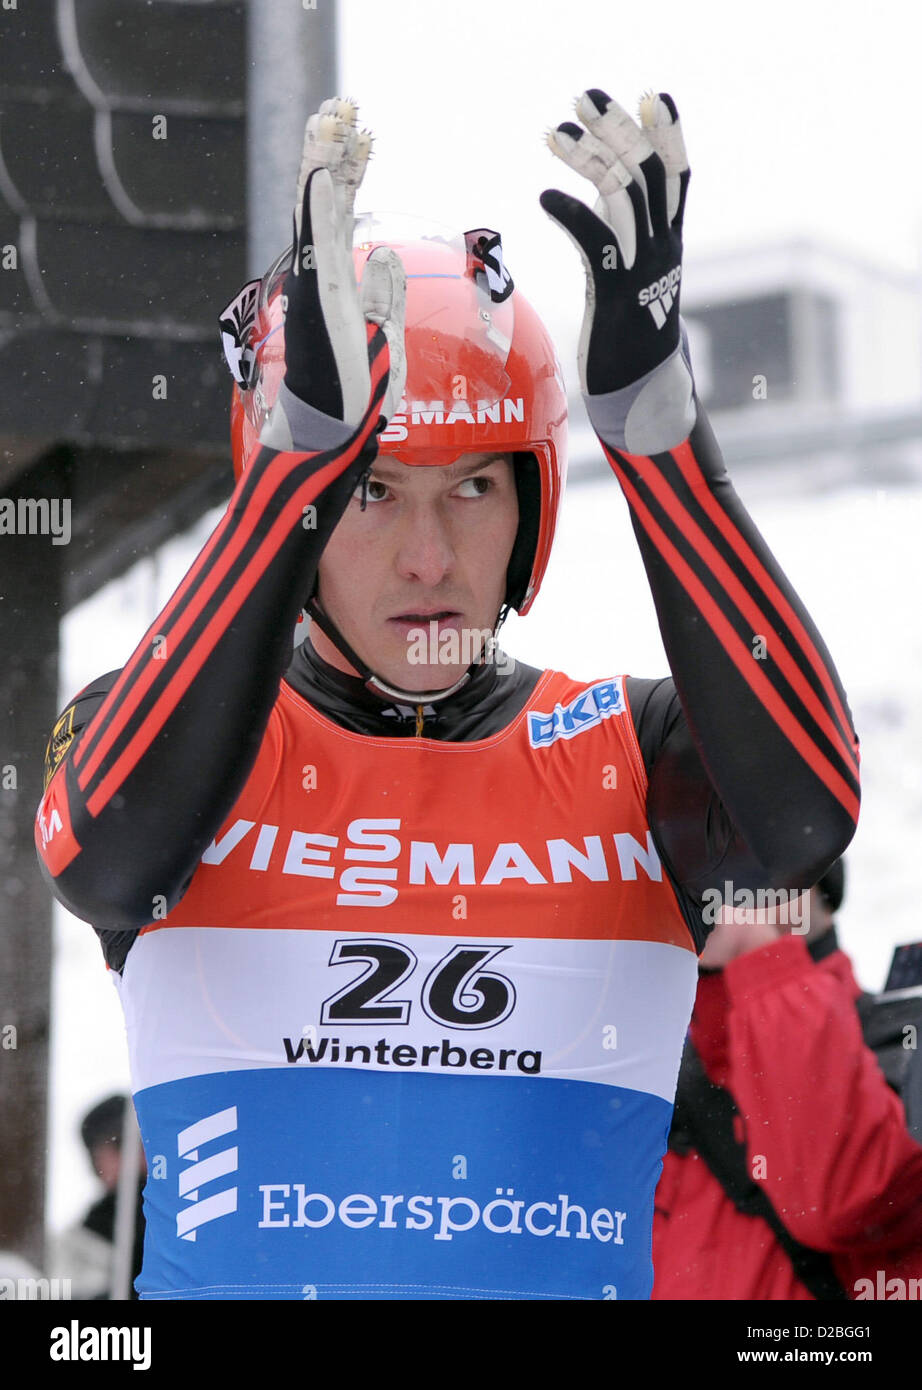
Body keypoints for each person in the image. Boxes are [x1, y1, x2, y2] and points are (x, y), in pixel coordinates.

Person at [34, 92, 859, 1301]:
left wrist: (659, 439)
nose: (428, 557)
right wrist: (287, 477)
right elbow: (100, 857)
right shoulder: (187, 745)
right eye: (372, 492)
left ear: (533, 505)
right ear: (302, 501)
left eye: (474, 487)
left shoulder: (627, 750)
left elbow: (803, 819)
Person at [652, 862, 922, 1300]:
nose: (726, 887)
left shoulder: (903, 1038)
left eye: (761, 856)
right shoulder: (657, 1081)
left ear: (823, 888)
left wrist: (759, 955)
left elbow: (845, 1203)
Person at [48, 1094, 146, 1300]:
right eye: (121, 1144)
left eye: (147, 1141)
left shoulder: (193, 1223)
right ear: (96, 1159)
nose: (138, 1153)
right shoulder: (81, 1243)